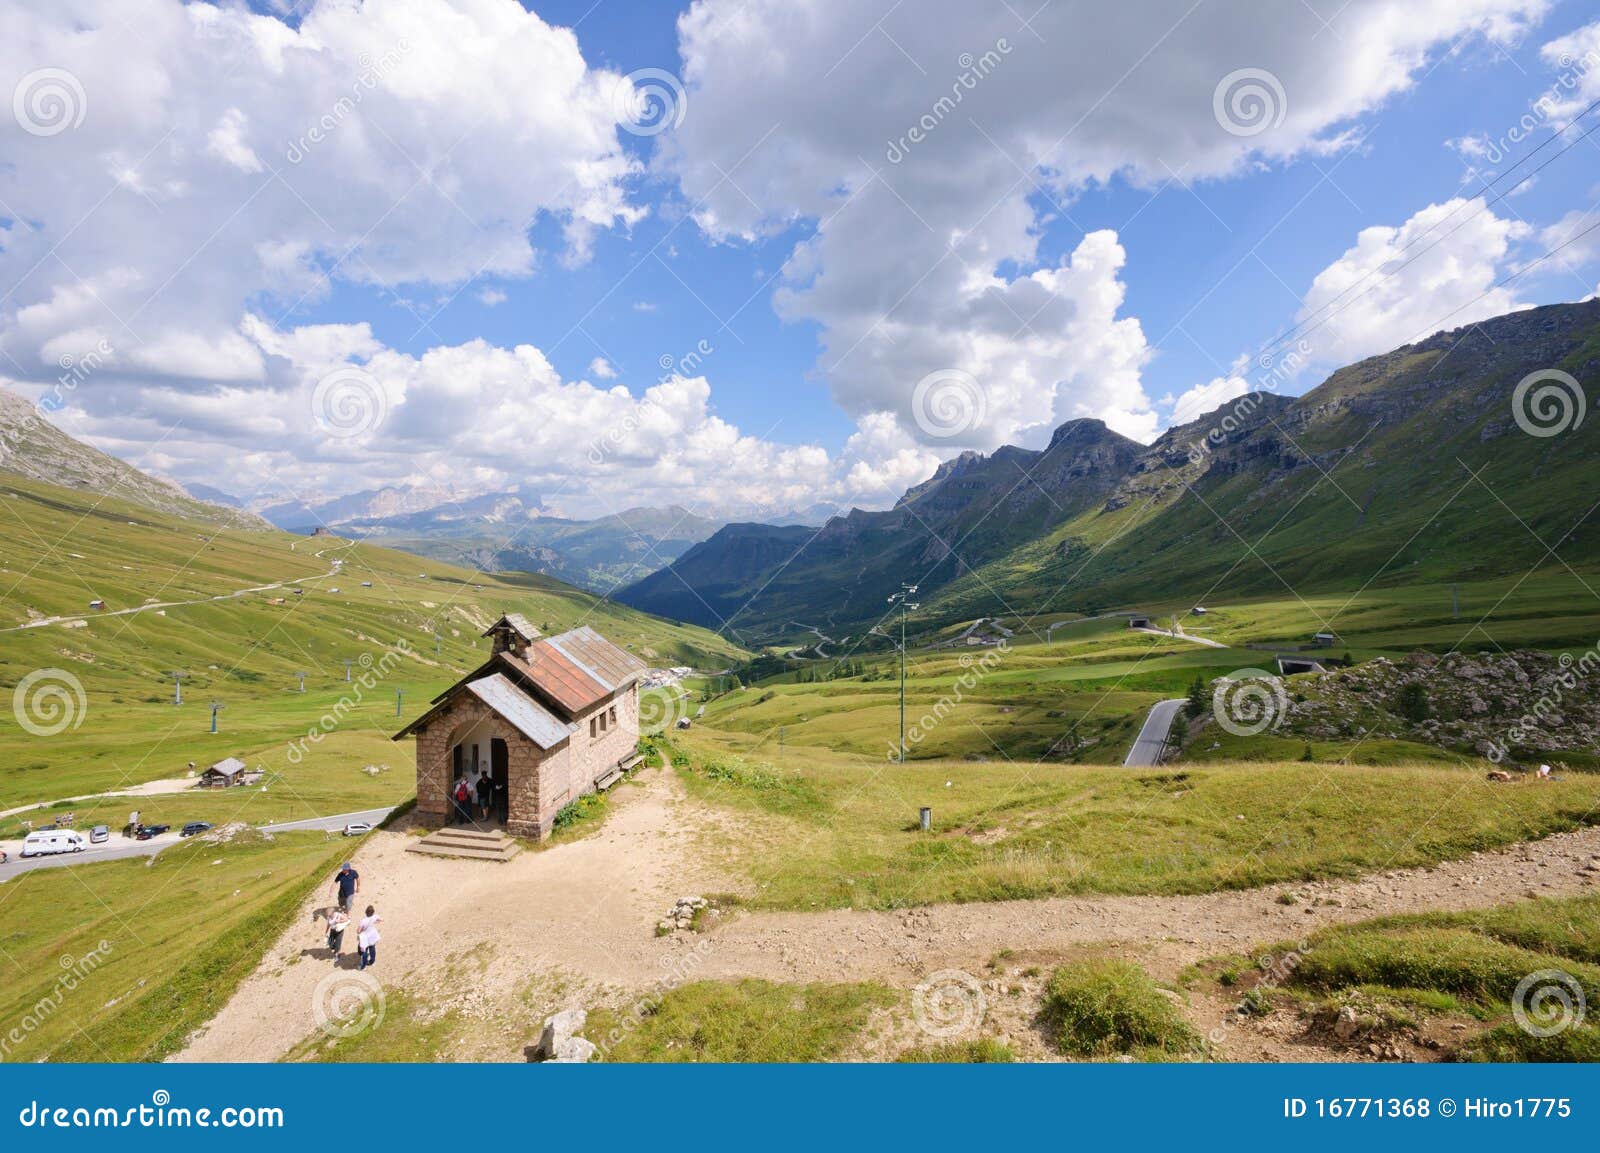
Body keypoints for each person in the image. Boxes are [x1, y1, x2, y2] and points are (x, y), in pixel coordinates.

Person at [357, 905, 382, 971]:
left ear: (366, 912)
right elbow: (381, 920)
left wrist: (360, 931)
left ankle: (363, 966)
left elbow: (358, 931)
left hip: (365, 937)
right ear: (373, 912)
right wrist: (376, 922)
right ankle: (372, 961)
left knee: (364, 951)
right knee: (372, 948)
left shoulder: (363, 920)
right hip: (372, 936)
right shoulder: (375, 916)